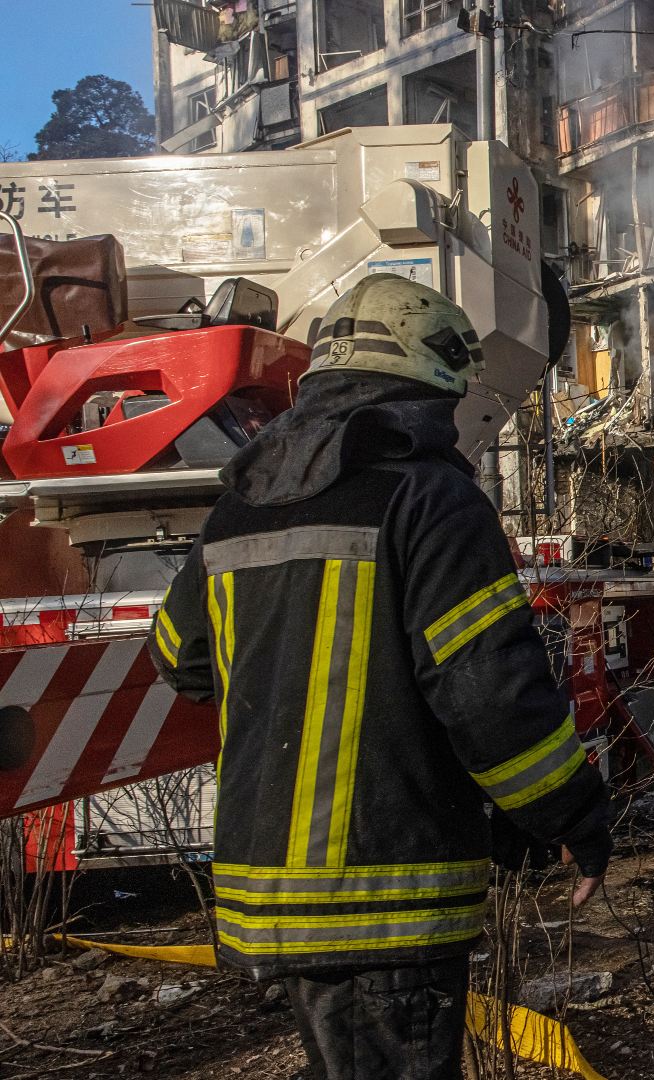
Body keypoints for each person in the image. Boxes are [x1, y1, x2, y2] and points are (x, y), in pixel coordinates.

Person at [148, 275, 612, 1080]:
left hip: (269, 895)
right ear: (429, 386)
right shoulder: (429, 500)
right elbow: (486, 694)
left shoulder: (238, 509)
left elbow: (177, 655)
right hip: (386, 890)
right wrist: (570, 814)